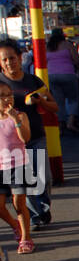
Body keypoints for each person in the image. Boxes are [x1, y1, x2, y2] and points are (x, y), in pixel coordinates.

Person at [0, 37, 57, 228]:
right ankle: (35, 217)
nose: (9, 62)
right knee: (25, 185)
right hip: (11, 143)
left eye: (12, 58)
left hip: (35, 136)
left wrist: (39, 101)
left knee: (43, 178)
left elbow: (54, 105)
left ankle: (43, 207)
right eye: (4, 59)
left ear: (20, 57)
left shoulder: (33, 80)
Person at [0, 81, 33, 252]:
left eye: (9, 94)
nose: (7, 99)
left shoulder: (20, 116)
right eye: (2, 96)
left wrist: (15, 120)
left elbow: (25, 138)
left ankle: (26, 238)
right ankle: (15, 225)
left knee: (18, 203)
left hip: (18, 164)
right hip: (0, 167)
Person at [46, 28, 79, 134]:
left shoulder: (48, 47)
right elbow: (77, 60)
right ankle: (70, 122)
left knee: (58, 101)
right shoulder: (67, 45)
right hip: (68, 74)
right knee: (73, 98)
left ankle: (60, 124)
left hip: (52, 76)